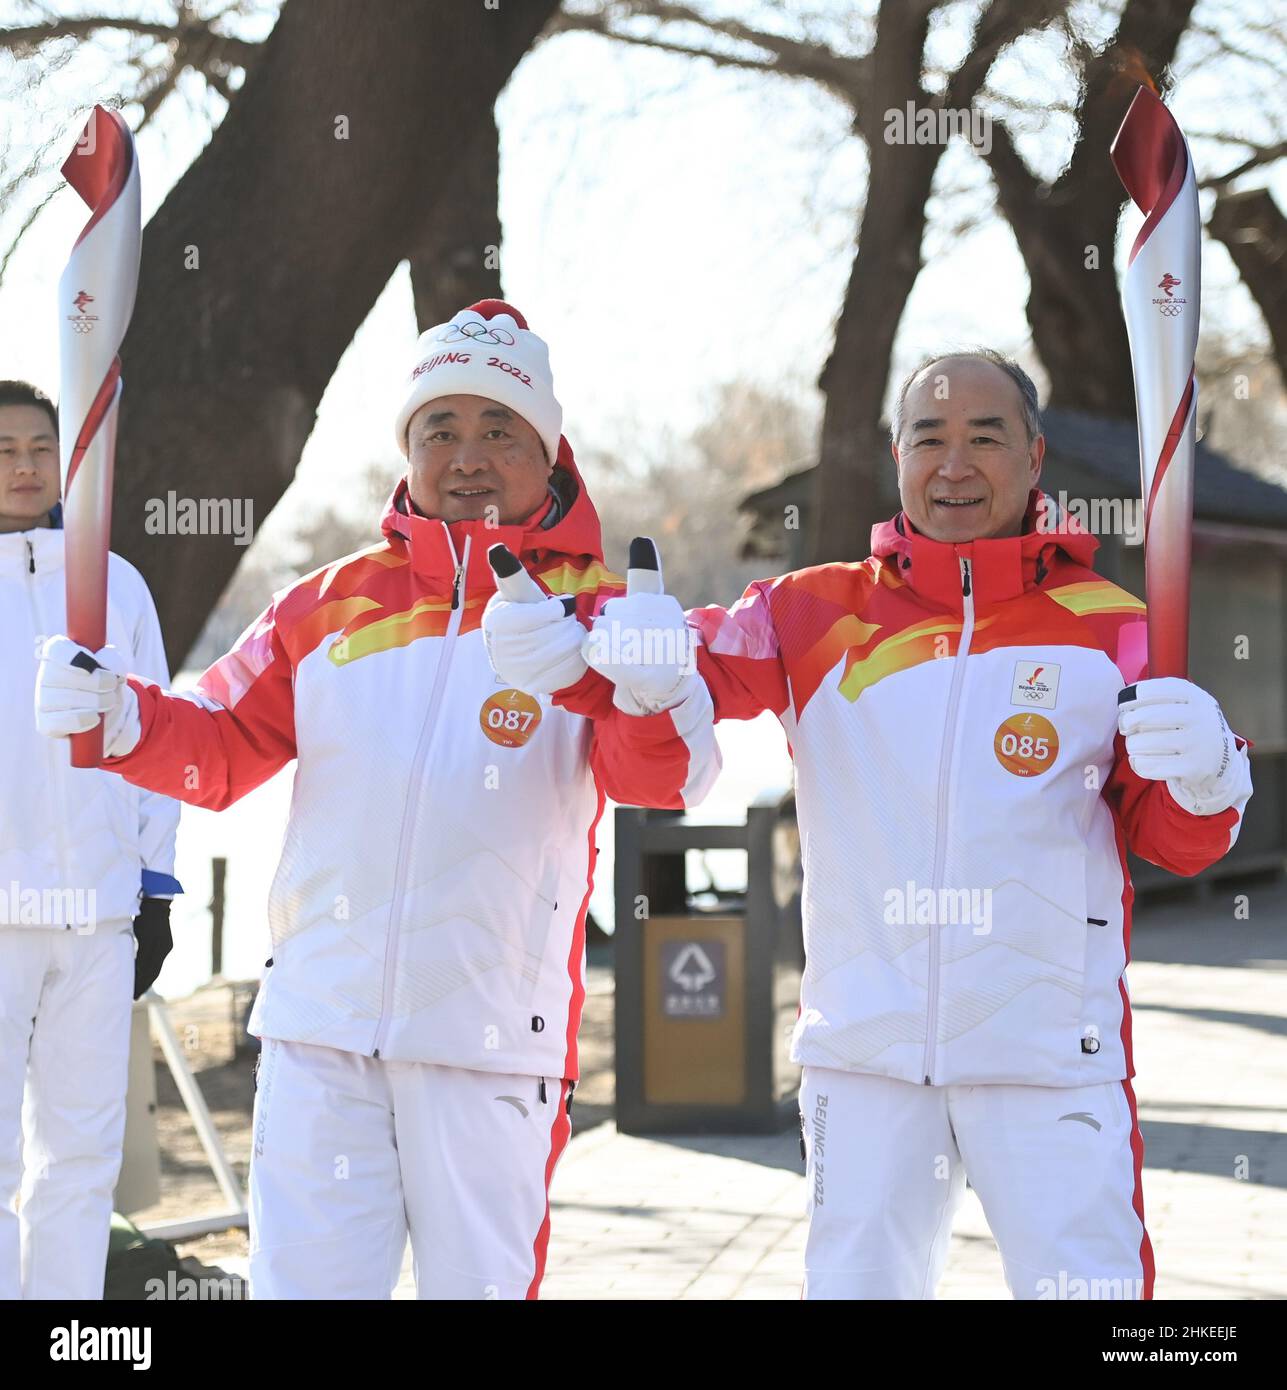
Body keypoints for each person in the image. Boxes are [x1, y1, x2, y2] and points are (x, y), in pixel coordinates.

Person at [485, 350, 1253, 1300]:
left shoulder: (1115, 627)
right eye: (929, 438)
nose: (954, 464)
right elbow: (670, 662)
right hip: (864, 1059)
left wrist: (1212, 779)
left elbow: (1168, 836)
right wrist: (582, 647)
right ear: (897, 457)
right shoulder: (809, 611)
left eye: (985, 437)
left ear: (1033, 456)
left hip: (1050, 1056)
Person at [35, 302, 716, 1299]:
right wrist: (123, 716)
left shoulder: (605, 610)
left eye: (499, 430)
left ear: (547, 450)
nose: (468, 456)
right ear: (408, 450)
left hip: (489, 1047)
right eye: (440, 429)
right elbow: (219, 749)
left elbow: (667, 779)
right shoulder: (327, 606)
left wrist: (644, 693)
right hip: (320, 1034)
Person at [1, 379, 180, 1300]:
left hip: (101, 915)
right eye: (4, 450)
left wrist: (153, 887)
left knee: (78, 1152)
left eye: (40, 448)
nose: (25, 466)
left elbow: (156, 734)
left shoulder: (111, 581)